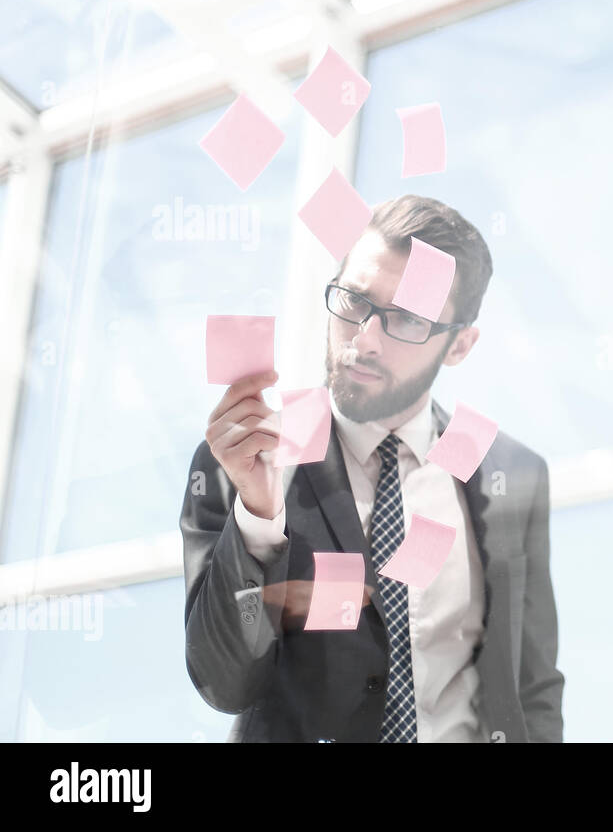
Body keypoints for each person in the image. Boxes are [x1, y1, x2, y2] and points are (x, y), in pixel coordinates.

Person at [181, 195, 563, 742]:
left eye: (407, 319)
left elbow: (533, 687)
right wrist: (258, 519)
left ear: (459, 345)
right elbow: (225, 685)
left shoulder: (511, 474)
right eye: (355, 302)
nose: (365, 339)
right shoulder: (243, 458)